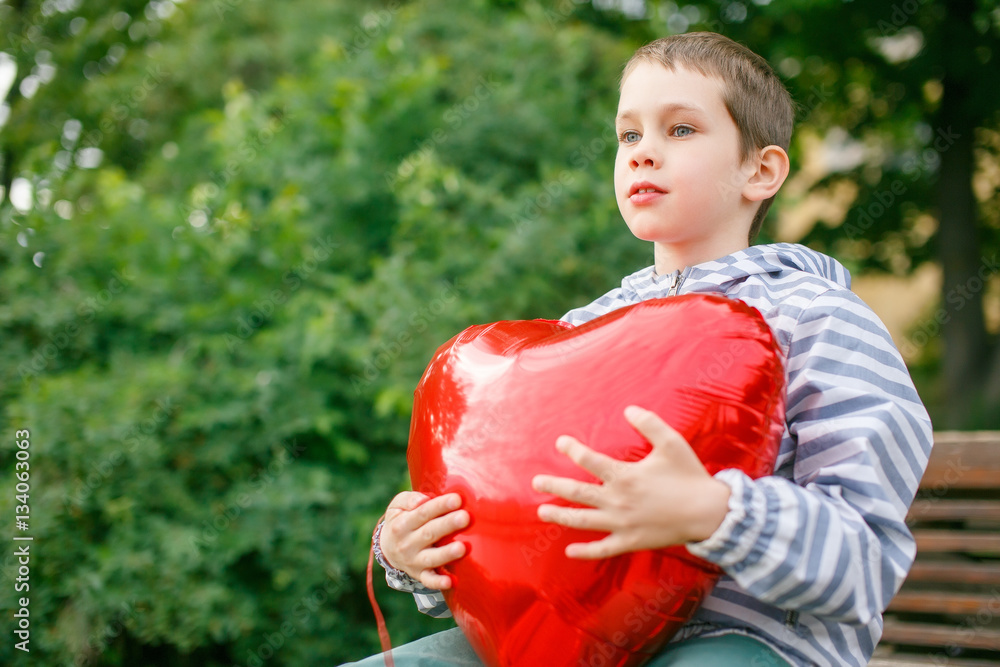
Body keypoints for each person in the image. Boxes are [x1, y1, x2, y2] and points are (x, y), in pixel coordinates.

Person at [345, 31, 933, 667]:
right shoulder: (578, 334)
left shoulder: (820, 320)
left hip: (752, 645)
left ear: (760, 171)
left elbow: (868, 566)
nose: (643, 153)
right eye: (629, 135)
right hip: (552, 637)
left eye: (680, 130)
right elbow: (521, 514)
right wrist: (408, 551)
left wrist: (714, 513)